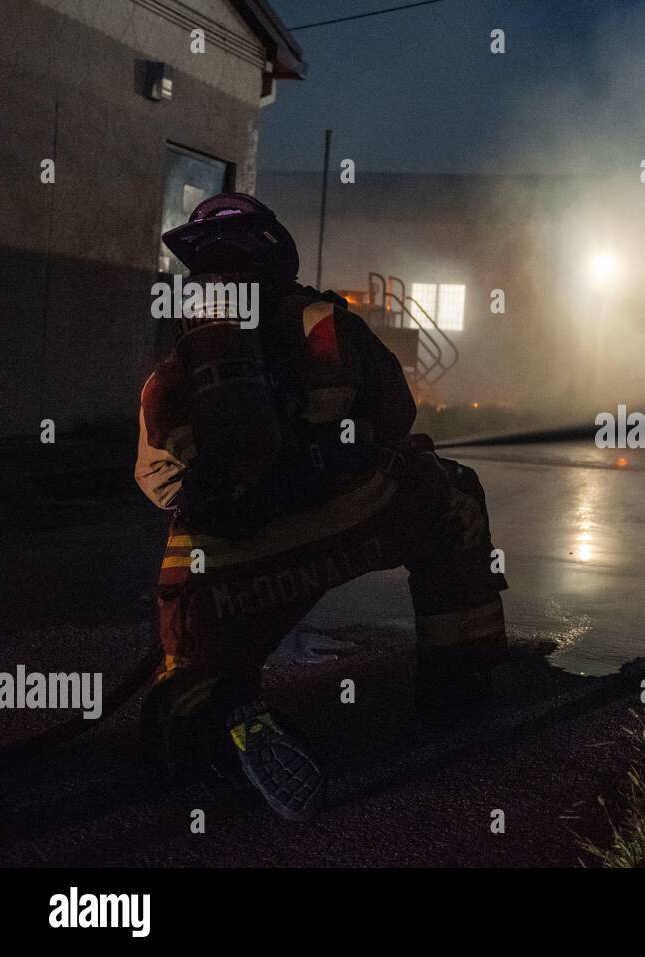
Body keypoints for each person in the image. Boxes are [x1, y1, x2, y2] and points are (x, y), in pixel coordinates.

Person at [135, 193, 506, 821]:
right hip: (347, 517)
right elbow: (394, 414)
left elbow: (158, 480)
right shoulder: (322, 320)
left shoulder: (180, 359)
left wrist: (232, 499)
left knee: (189, 670)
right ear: (278, 253)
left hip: (221, 557)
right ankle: (461, 682)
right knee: (456, 494)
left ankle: (220, 723)